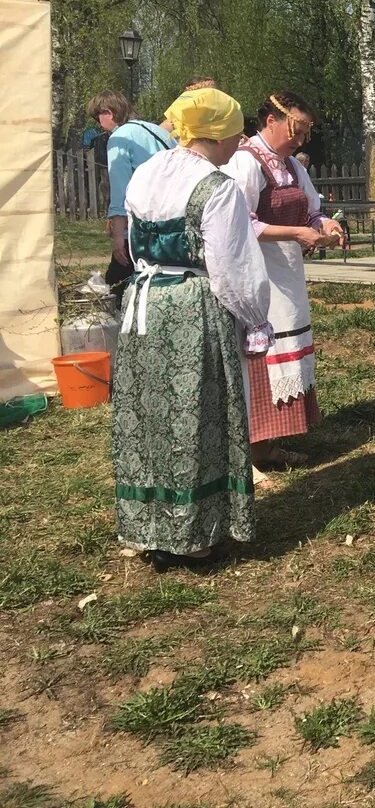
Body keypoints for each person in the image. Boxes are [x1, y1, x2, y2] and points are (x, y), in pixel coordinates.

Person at [112, 87, 272, 572]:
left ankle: (148, 527)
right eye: (235, 133)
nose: (238, 142)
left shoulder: (146, 172)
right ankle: (195, 536)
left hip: (143, 306)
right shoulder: (217, 186)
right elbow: (231, 267)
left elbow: (137, 243)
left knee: (148, 414)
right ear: (219, 135)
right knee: (197, 413)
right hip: (193, 307)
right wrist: (254, 317)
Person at [224, 92, 346, 476]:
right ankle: (248, 456)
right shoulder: (245, 162)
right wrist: (296, 232)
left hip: (287, 277)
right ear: (271, 121)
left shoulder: (291, 165)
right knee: (259, 359)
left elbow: (313, 209)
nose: (299, 139)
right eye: (295, 128)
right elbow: (240, 221)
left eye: (306, 131)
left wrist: (325, 225)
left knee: (285, 350)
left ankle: (269, 447)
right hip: (257, 278)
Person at [88, 90, 175, 298]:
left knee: (118, 287)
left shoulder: (119, 138)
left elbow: (121, 189)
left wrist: (118, 236)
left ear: (108, 113)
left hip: (141, 225)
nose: (99, 124)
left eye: (97, 117)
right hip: (172, 218)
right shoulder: (158, 131)